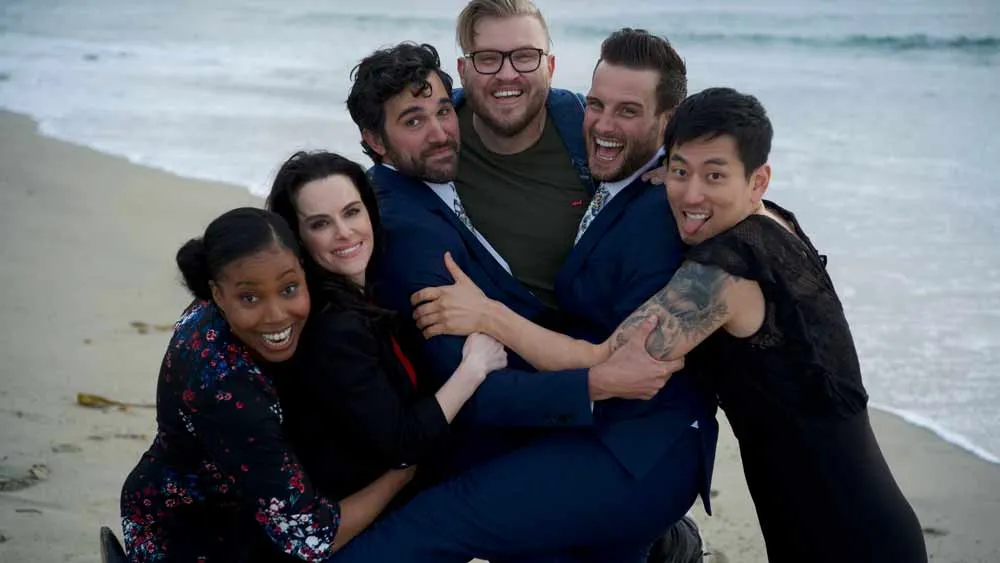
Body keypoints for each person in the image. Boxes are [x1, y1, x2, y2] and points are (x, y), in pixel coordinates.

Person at [417, 87, 930, 563]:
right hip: (838, 510)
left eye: (714, 176)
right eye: (680, 171)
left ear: (758, 180)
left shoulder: (721, 275)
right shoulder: (773, 221)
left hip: (844, 533)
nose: (690, 195)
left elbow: (604, 359)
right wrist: (681, 177)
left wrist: (488, 314)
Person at [329, 37, 708, 563]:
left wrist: (681, 162)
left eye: (443, 111)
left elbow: (537, 98)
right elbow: (473, 391)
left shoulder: (656, 196)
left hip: (639, 443)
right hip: (543, 424)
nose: (439, 132)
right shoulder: (404, 226)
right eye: (413, 121)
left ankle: (658, 541)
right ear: (375, 140)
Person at [119, 208, 415, 562]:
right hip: (191, 532)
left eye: (289, 288)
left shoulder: (216, 306)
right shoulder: (229, 389)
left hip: (227, 498)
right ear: (217, 294)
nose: (275, 315)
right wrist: (404, 471)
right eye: (250, 298)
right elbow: (312, 536)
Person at [264, 150, 507, 503]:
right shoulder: (331, 327)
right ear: (297, 238)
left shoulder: (362, 290)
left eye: (351, 212)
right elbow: (402, 444)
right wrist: (474, 367)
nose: (344, 233)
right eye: (320, 224)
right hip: (370, 503)